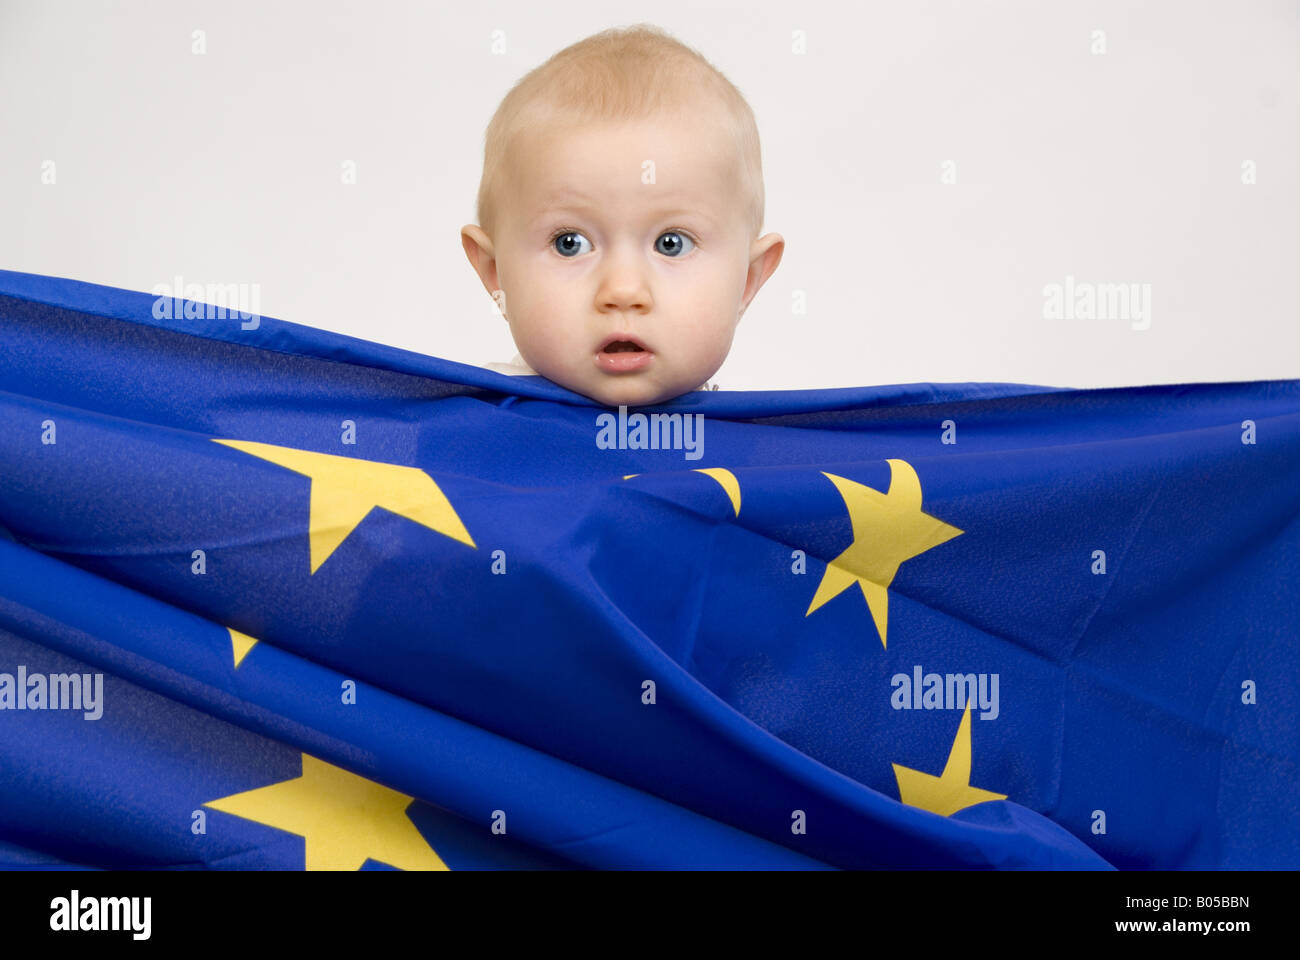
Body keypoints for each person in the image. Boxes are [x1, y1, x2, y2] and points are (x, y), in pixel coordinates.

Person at [462, 24, 784, 406]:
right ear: (496, 272)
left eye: (671, 244)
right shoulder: (467, 442)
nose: (623, 291)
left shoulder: (759, 452)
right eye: (570, 244)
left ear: (746, 280)